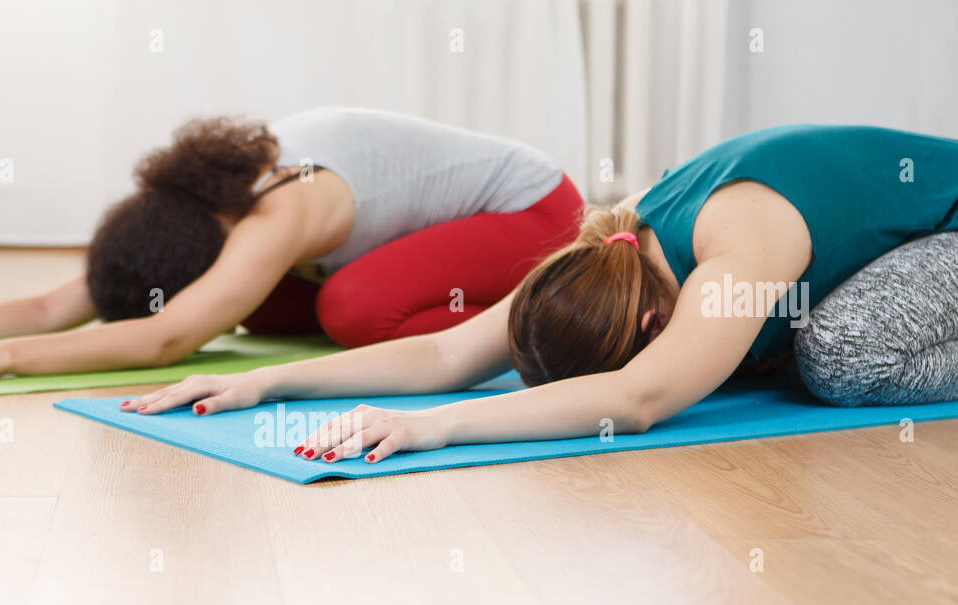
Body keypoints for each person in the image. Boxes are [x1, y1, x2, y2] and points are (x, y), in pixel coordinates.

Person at [123, 125, 958, 463]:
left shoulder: (742, 244)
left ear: (651, 321)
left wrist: (431, 428)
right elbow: (452, 350)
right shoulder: (603, 247)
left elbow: (636, 397)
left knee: (839, 356)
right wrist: (266, 382)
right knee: (762, 354)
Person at [0, 107, 582, 390]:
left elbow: (168, 335)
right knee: (267, 305)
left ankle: (546, 312)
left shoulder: (275, 214)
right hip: (430, 232)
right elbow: (62, 303)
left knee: (350, 309)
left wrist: (6, 358)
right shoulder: (189, 207)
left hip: (533, 213)